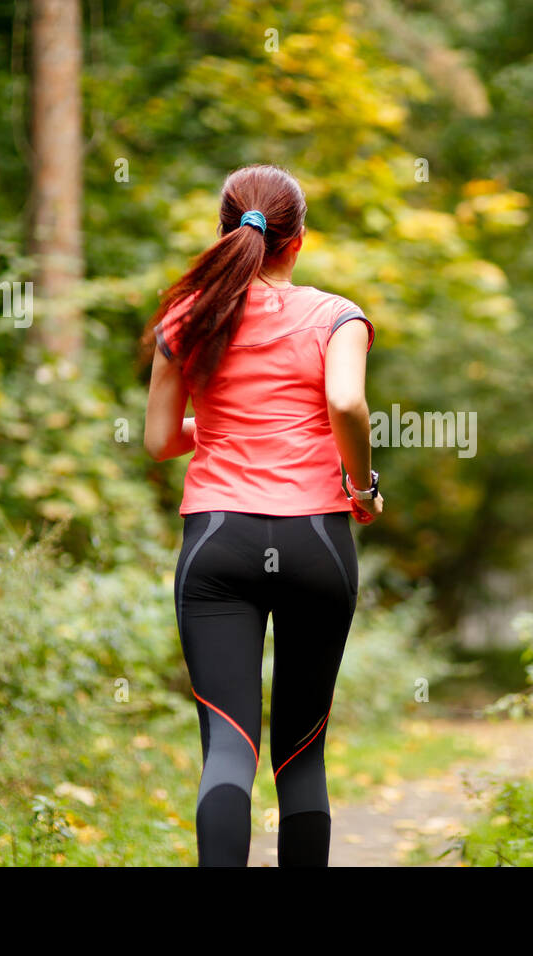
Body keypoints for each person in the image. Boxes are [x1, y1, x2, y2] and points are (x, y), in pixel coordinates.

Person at [141, 164, 383, 867]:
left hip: (219, 540)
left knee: (228, 746)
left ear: (225, 232)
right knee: (302, 754)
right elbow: (345, 403)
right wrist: (362, 486)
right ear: (298, 240)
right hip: (317, 542)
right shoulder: (338, 316)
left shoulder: (187, 318)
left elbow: (159, 441)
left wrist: (228, 431)